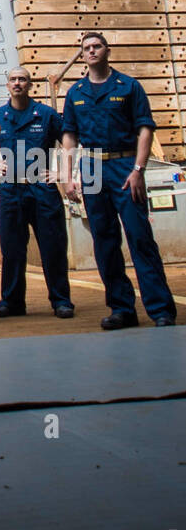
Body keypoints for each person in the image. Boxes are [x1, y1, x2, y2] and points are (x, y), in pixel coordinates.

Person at [61, 31, 177, 329]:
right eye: (86, 48)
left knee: (140, 237)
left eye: (97, 46)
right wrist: (67, 176)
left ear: (107, 50)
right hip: (93, 170)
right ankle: (121, 308)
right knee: (104, 240)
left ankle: (160, 309)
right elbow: (70, 137)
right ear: (82, 54)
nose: (91, 51)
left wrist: (138, 170)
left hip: (125, 167)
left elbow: (145, 130)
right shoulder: (76, 93)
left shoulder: (129, 87)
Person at [0, 68, 74, 320]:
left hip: (41, 189)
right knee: (12, 249)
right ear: (7, 85)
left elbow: (67, 139)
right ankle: (11, 303)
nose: (17, 83)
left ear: (30, 84)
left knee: (53, 246)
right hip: (11, 189)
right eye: (13, 79)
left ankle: (61, 301)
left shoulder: (45, 114)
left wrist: (61, 174)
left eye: (22, 79)